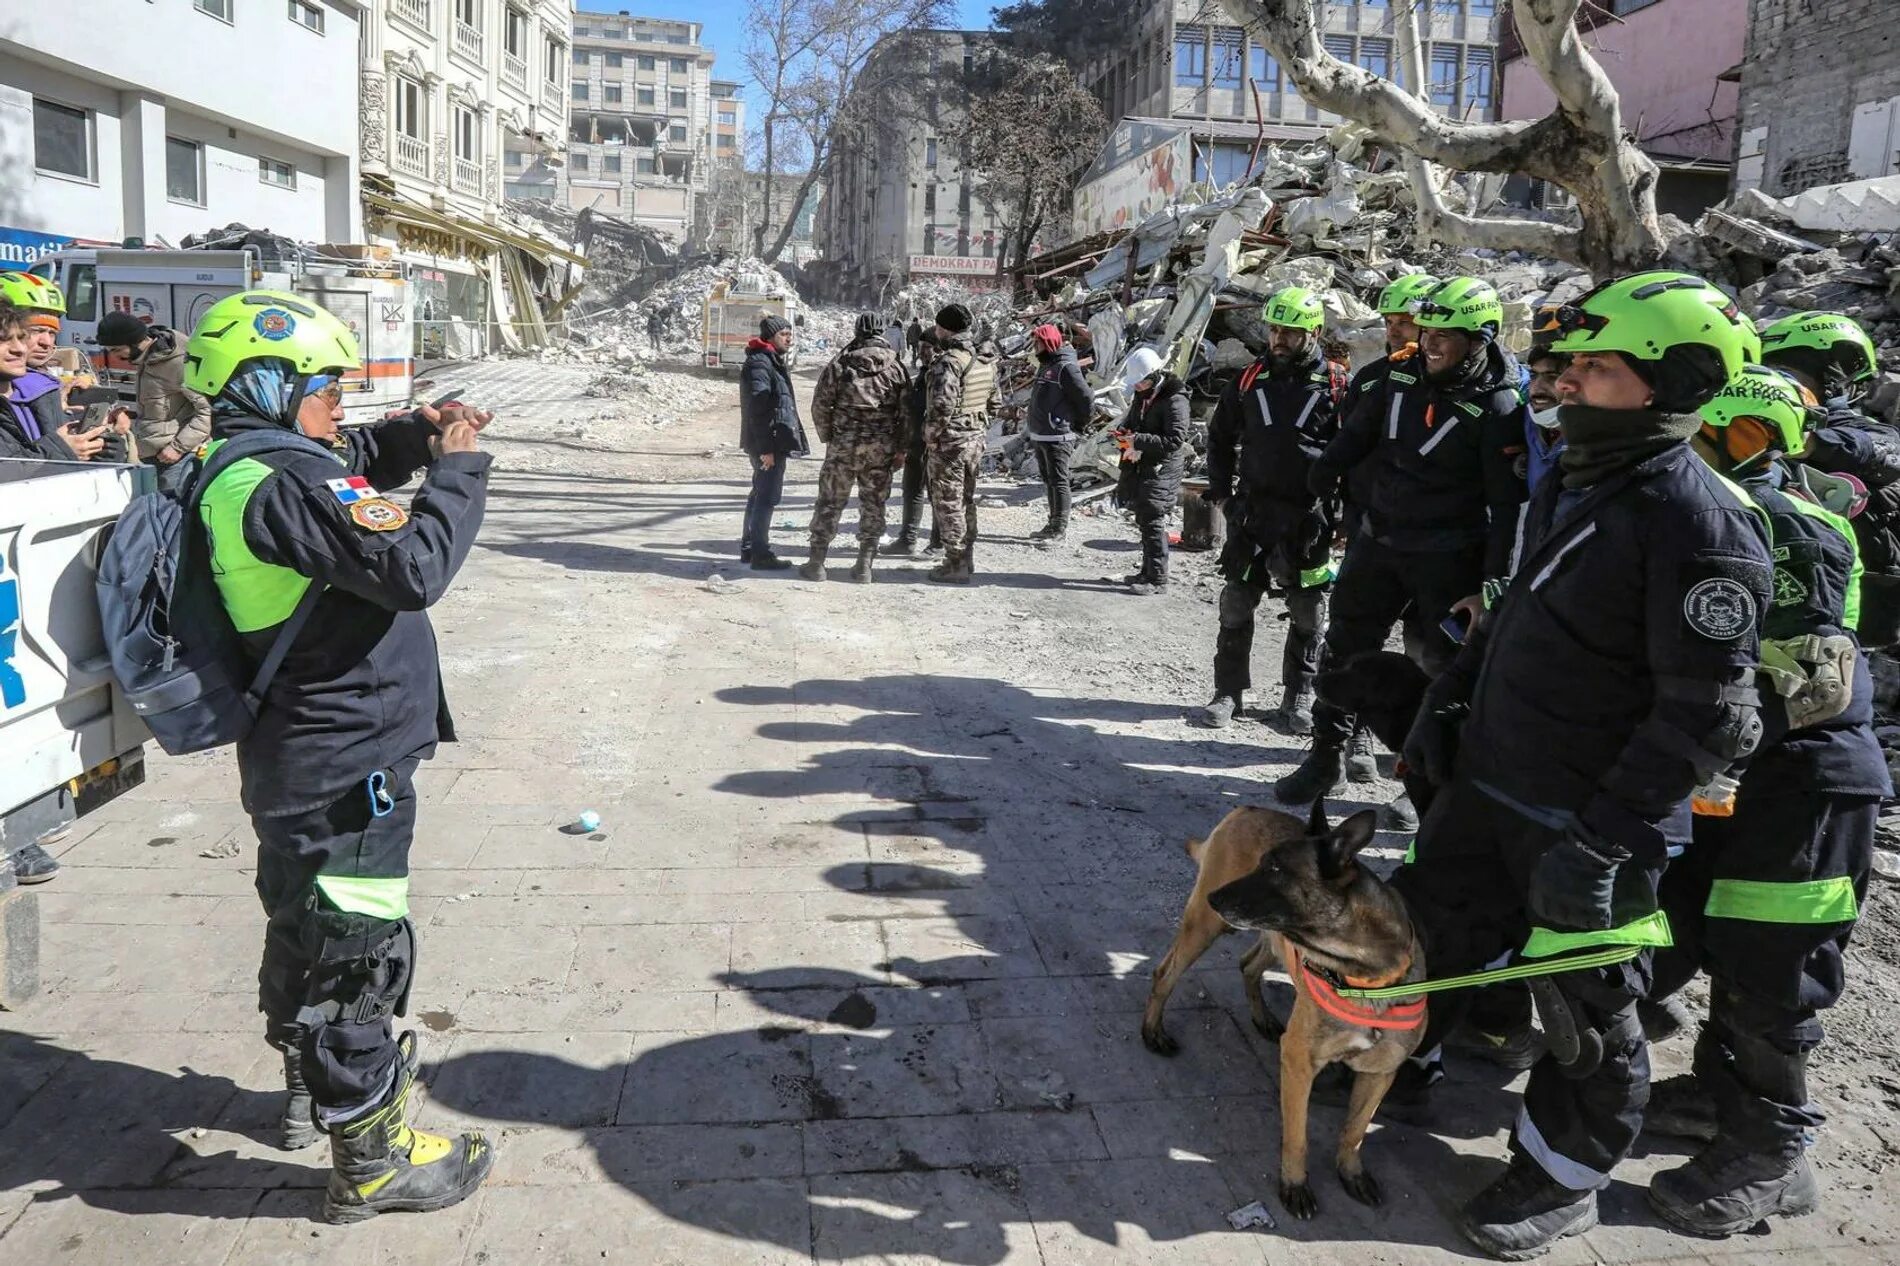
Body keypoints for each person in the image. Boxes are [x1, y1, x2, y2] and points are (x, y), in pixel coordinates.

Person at [1392, 272, 1768, 1260]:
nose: (1569, 381)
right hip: (1494, 780)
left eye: (1599, 369)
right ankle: (1406, 1062)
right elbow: (1513, 605)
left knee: (1584, 1009)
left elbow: (1711, 718)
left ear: (1665, 384)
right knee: (1440, 925)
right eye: (1573, 363)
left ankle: (1561, 1177)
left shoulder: (1701, 524)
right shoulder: (1570, 473)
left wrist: (1603, 841)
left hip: (1592, 817)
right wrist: (1448, 705)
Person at [184, 288, 496, 1222]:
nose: (338, 406)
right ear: (269, 383)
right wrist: (460, 469)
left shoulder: (243, 462)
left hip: (301, 755)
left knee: (305, 932)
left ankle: (305, 1097)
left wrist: (412, 433)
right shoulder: (281, 482)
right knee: (358, 952)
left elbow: (345, 461)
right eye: (324, 387)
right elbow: (412, 569)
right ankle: (372, 1153)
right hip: (342, 762)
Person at [1636, 365, 1886, 1237]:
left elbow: (1814, 683)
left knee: (1773, 977)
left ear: (1748, 438)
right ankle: (1719, 1097)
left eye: (1706, 436)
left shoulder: (1799, 529)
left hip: (1807, 791)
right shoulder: (1713, 515)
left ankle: (1774, 1155)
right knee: (1713, 937)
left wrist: (1714, 738)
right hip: (1742, 784)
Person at [1280, 276, 1529, 815]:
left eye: (1447, 335)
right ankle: (1326, 756)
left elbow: (1507, 508)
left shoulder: (1501, 405)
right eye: (1428, 330)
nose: (1430, 343)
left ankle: (1422, 778)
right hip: (1379, 542)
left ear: (1481, 338)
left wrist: (1493, 585)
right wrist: (1322, 481)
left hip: (1449, 557)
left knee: (1442, 665)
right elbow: (1353, 440)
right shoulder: (1395, 377)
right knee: (1344, 648)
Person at [1197, 287, 1346, 733]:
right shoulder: (1248, 380)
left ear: (1314, 332)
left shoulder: (1338, 385)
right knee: (1236, 603)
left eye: (1291, 332)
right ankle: (1228, 693)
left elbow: (1357, 453)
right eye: (1275, 329)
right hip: (1252, 514)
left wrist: (1347, 518)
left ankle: (1298, 697)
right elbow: (1219, 439)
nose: (1279, 338)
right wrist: (1222, 496)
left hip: (1309, 519)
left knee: (1308, 612)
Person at [1758, 311, 1900, 649]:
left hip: (1862, 597)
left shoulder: (1862, 431)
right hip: (1776, 590)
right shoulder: (1741, 423)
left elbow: (1884, 452)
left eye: (1794, 375)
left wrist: (1805, 441)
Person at [801, 312, 909, 583]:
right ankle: (864, 565)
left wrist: (829, 437)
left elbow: (820, 405)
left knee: (830, 501)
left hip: (843, 446)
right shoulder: (896, 367)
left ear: (857, 331)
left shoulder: (840, 364)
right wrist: (900, 448)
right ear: (882, 331)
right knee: (874, 503)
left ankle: (816, 563)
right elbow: (907, 413)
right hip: (880, 448)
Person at [922, 302, 999, 585]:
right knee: (965, 501)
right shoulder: (984, 359)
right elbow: (996, 402)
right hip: (974, 441)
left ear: (944, 329)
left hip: (950, 444)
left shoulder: (949, 362)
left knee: (948, 504)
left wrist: (931, 437)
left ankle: (954, 564)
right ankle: (966, 558)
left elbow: (941, 407)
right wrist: (976, 427)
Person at [96, 311, 213, 493]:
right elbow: (160, 408)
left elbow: (207, 411)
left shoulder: (176, 363)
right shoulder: (150, 358)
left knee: (173, 513)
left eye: (117, 350)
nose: (115, 357)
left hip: (178, 458)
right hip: (156, 455)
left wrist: (178, 447)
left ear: (134, 341)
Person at [1113, 346, 1189, 594]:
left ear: (1155, 376)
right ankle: (1146, 573)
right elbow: (1134, 422)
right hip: (1144, 466)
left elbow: (1175, 441)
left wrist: (1138, 440)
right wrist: (1124, 435)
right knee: (1144, 519)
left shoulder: (1175, 400)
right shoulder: (1143, 394)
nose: (1136, 387)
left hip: (1162, 470)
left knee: (1153, 521)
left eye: (1140, 382)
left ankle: (1157, 580)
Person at [739, 315, 809, 570]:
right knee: (766, 497)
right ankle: (760, 553)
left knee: (759, 493)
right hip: (767, 444)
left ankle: (750, 548)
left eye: (790, 334)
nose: (788, 338)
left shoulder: (768, 360)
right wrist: (766, 448)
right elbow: (759, 409)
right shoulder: (761, 363)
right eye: (783, 334)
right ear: (770, 336)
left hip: (769, 441)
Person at [0, 301, 105, 464]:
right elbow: (7, 471)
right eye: (3, 339)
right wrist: (61, 450)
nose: (20, 349)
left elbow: (74, 454)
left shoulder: (46, 392)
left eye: (21, 338)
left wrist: (103, 447)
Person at [1024, 322, 1093, 542]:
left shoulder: (1066, 367)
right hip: (1041, 435)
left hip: (1057, 436)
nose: (1035, 347)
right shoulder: (1046, 364)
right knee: (1049, 480)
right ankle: (1052, 522)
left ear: (1049, 343)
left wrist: (1079, 425)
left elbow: (1086, 398)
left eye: (1038, 343)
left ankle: (1059, 528)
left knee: (1059, 481)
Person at [889, 331, 941, 557]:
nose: (920, 352)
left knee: (937, 495)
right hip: (916, 443)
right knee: (911, 491)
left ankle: (938, 544)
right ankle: (907, 540)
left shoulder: (942, 373)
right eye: (920, 347)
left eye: (926, 347)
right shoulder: (924, 373)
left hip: (934, 445)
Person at [1522, 305, 1570, 494]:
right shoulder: (1530, 419)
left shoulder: (1597, 442)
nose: (1537, 387)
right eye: (1534, 376)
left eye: (1552, 376)